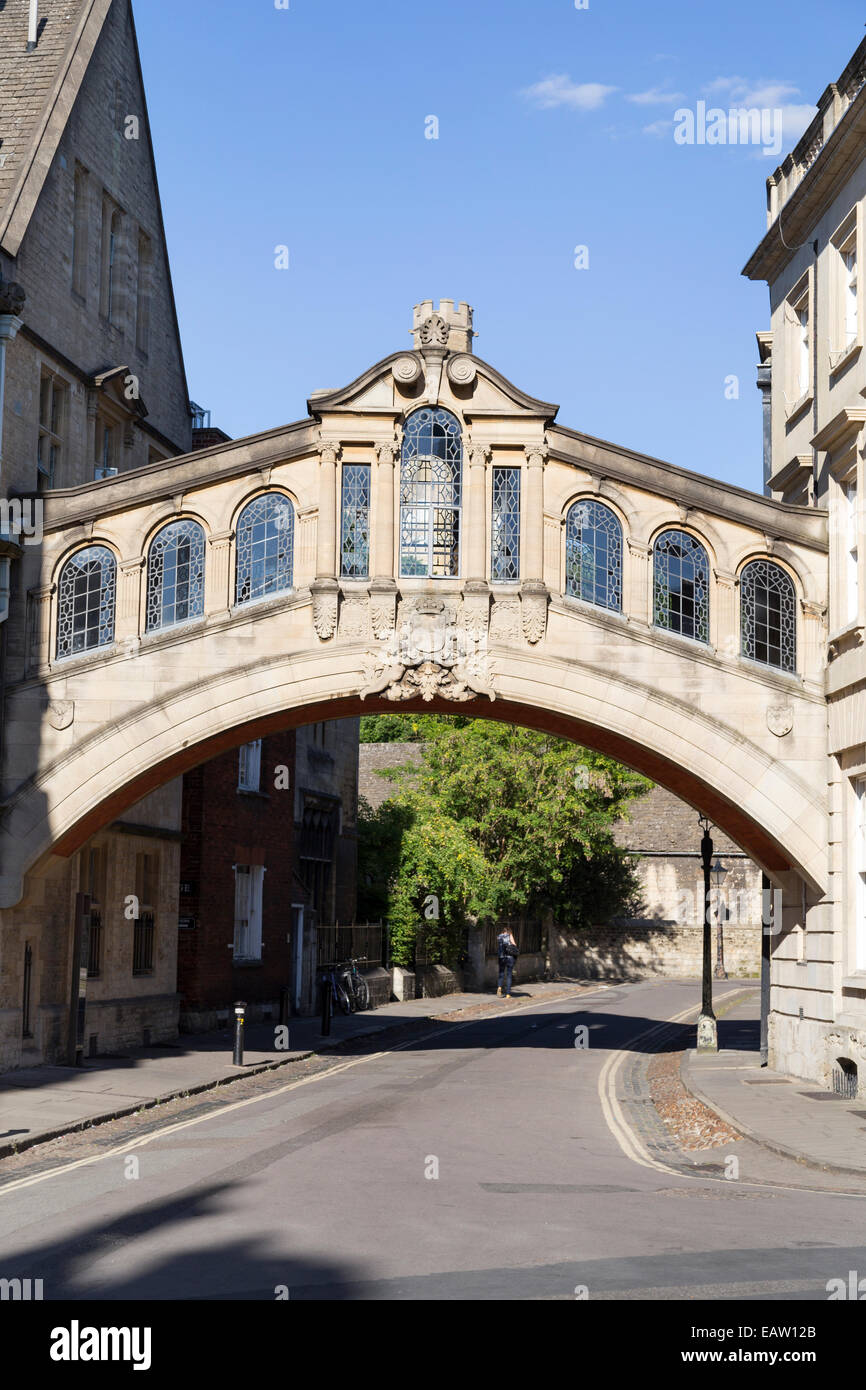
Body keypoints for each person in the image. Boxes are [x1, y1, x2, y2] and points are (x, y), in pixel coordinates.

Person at [496, 927, 518, 998]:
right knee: (509, 975)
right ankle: (508, 994)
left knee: (501, 973)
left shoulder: (499, 936)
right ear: (509, 931)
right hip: (510, 958)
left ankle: (499, 987)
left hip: (501, 958)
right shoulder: (509, 935)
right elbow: (514, 945)